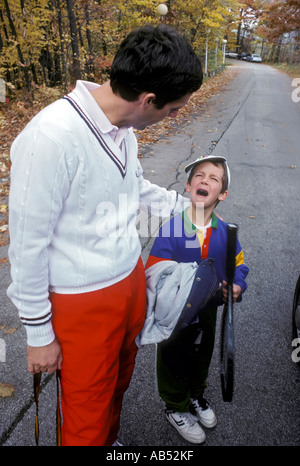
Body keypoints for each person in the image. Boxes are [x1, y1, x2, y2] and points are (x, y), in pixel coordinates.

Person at [7, 24, 203, 446]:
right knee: (86, 410)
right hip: (83, 302)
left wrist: (188, 210)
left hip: (129, 282)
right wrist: (39, 334)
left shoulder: (123, 129)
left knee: (117, 386)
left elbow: (133, 191)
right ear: (148, 100)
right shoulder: (50, 138)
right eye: (172, 110)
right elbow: (26, 247)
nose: (172, 117)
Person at [143, 155, 249, 444]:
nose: (205, 180)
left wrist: (237, 285)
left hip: (209, 309)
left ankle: (196, 395)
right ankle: (175, 406)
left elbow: (238, 265)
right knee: (173, 358)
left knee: (202, 353)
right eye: (200, 176)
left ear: (222, 194)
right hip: (175, 314)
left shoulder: (226, 233)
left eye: (214, 179)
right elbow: (154, 273)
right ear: (188, 186)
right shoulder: (173, 229)